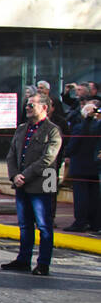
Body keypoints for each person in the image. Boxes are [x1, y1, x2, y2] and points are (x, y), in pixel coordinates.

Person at [2, 93, 62, 276]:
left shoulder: (53, 130)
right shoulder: (21, 129)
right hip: (21, 182)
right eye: (27, 105)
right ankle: (23, 259)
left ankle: (43, 263)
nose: (27, 108)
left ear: (44, 107)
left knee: (44, 225)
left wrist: (24, 175)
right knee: (24, 224)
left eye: (31, 105)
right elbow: (11, 154)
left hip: (44, 181)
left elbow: (48, 159)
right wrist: (14, 176)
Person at [63, 99, 100, 232]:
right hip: (94, 166)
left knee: (81, 197)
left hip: (80, 166)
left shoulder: (79, 127)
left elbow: (73, 146)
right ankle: (95, 222)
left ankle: (80, 222)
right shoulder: (97, 127)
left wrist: (66, 153)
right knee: (94, 196)